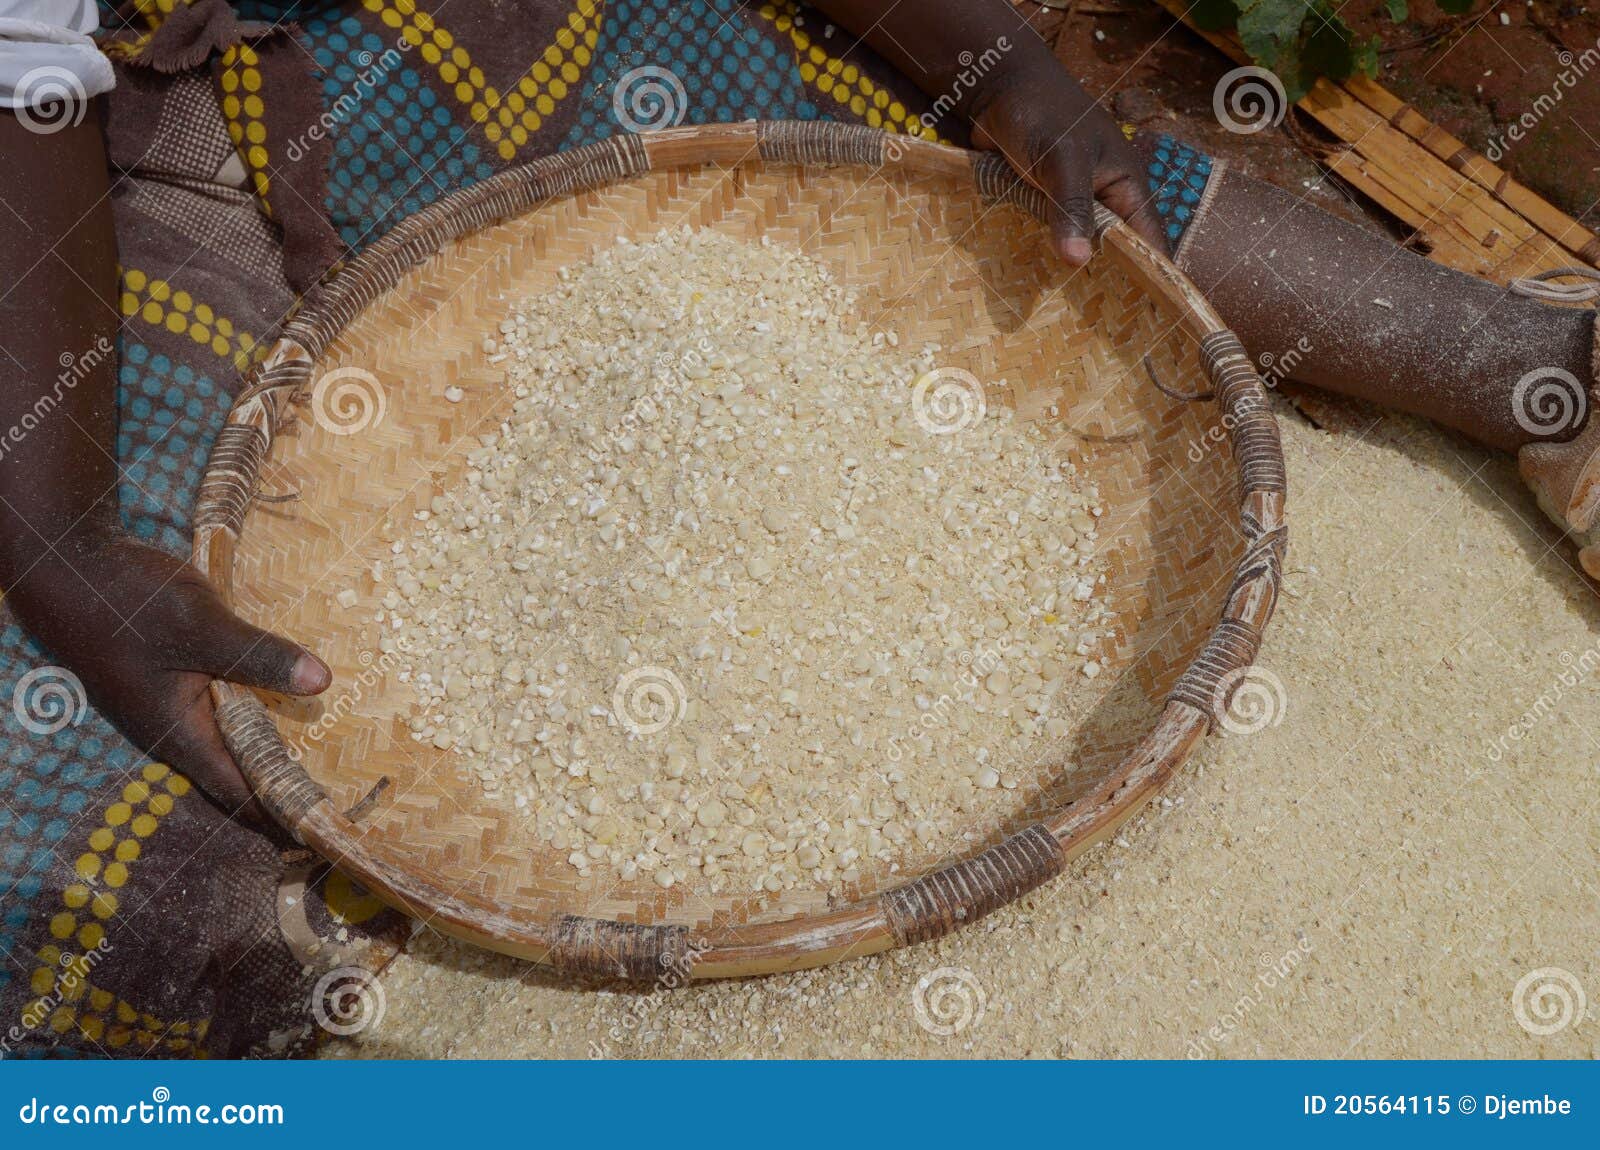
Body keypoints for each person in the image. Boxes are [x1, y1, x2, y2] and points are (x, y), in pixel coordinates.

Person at [0, 0, 1590, 1056]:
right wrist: (58, 535)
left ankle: (1542, 372)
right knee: (108, 711)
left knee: (1018, 208)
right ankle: (353, 1017)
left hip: (531, 28)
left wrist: (1007, 74)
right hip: (135, 132)